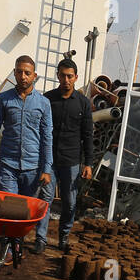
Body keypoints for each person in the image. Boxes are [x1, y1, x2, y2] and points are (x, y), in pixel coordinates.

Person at [0, 56, 53, 260]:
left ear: (34, 76)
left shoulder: (44, 104)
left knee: (23, 212)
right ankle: (9, 249)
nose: (23, 76)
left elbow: (47, 138)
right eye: (19, 71)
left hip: (32, 168)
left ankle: (17, 243)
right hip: (8, 164)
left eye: (27, 73)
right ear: (15, 72)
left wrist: (46, 169)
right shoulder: (5, 99)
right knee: (9, 210)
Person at [43, 58, 94, 254]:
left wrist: (88, 163)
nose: (66, 80)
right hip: (49, 160)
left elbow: (87, 135)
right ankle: (41, 238)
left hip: (71, 161)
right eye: (63, 75)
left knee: (70, 202)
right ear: (58, 76)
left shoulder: (83, 103)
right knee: (45, 200)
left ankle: (64, 235)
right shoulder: (47, 100)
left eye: (70, 76)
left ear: (76, 78)